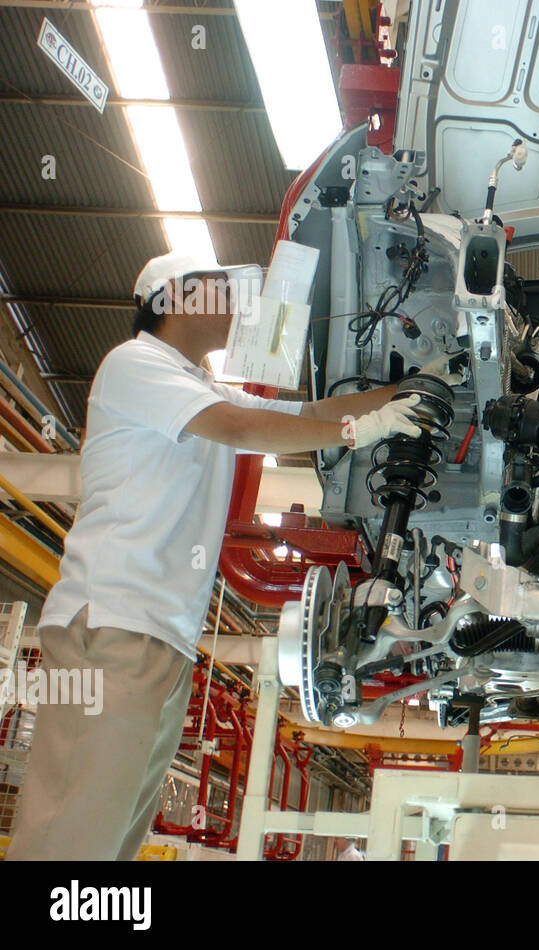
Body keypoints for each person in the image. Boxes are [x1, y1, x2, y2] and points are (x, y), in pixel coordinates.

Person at [8, 252, 441, 860]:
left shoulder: (200, 387)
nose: (235, 301)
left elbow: (312, 413)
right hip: (109, 628)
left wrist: (420, 385)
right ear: (175, 299)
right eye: (217, 287)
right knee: (74, 830)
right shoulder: (135, 364)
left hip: (164, 641)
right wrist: (354, 434)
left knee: (115, 835)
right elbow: (242, 429)